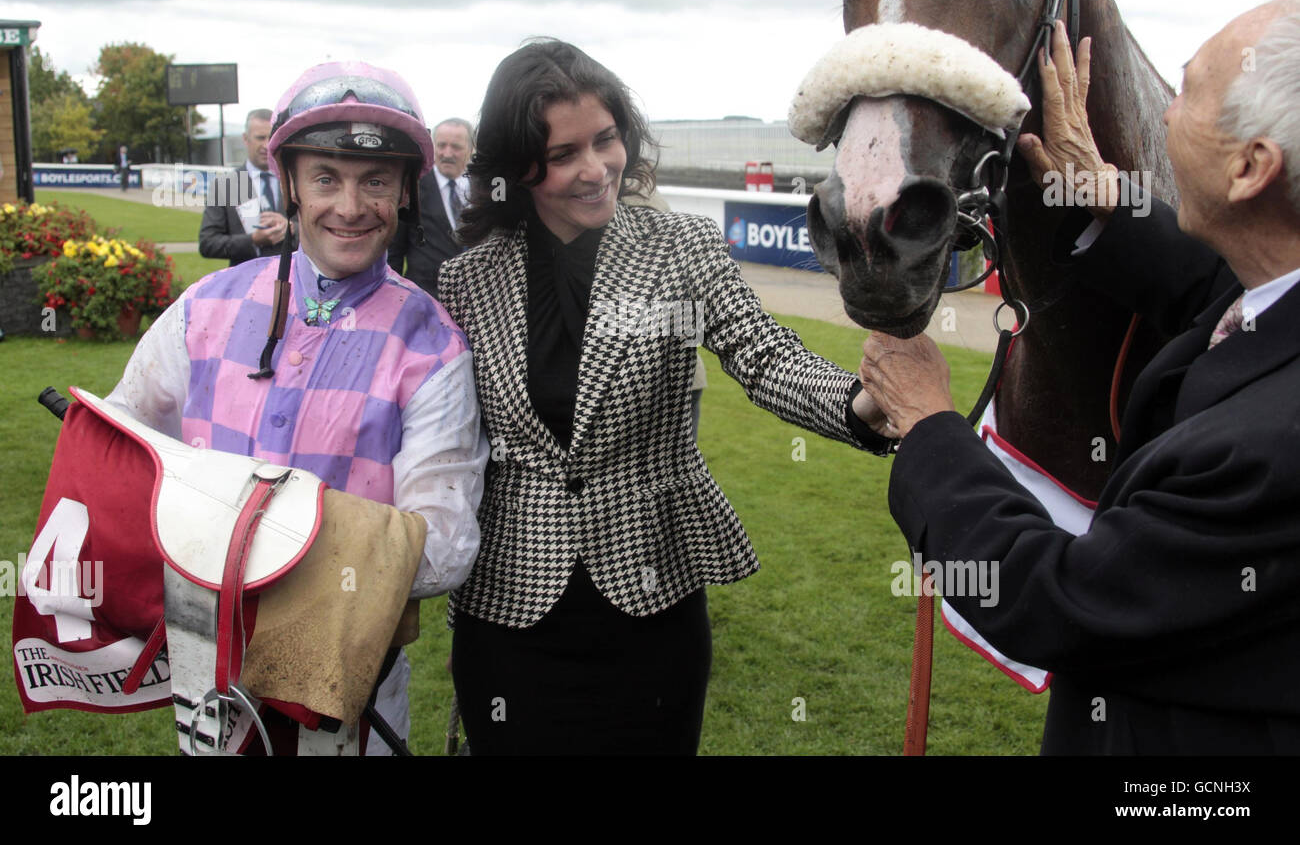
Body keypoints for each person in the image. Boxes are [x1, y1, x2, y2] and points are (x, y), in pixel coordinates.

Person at [859, 0, 1300, 754]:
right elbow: (1215, 297)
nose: (1164, 118)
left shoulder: (1271, 450)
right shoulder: (1272, 300)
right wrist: (1106, 195)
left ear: (1251, 168)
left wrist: (931, 424)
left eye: (1187, 96)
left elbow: (1057, 600)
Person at [438, 39, 887, 755]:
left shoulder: (682, 245)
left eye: (607, 139)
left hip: (651, 603)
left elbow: (764, 355)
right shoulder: (467, 281)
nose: (596, 169)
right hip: (510, 613)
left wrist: (861, 404)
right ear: (518, 166)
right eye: (563, 155)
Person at [106, 61, 487, 755]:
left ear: (405, 191)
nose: (350, 205)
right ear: (290, 184)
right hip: (209, 672)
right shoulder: (203, 309)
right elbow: (120, 445)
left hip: (350, 682)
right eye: (325, 178)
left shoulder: (433, 342)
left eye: (375, 180)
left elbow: (446, 542)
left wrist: (254, 544)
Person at [388, 117, 474, 298]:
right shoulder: (412, 187)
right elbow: (394, 251)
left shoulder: (487, 189)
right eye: (441, 145)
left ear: (471, 149)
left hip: (475, 304)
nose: (447, 153)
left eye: (456, 147)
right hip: (424, 301)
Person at [199, 109, 294, 266]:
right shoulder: (227, 185)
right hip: (245, 284)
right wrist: (253, 240)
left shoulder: (292, 180)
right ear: (245, 139)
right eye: (260, 138)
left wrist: (292, 229)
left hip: (290, 281)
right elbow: (208, 243)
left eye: (271, 138)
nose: (266, 145)